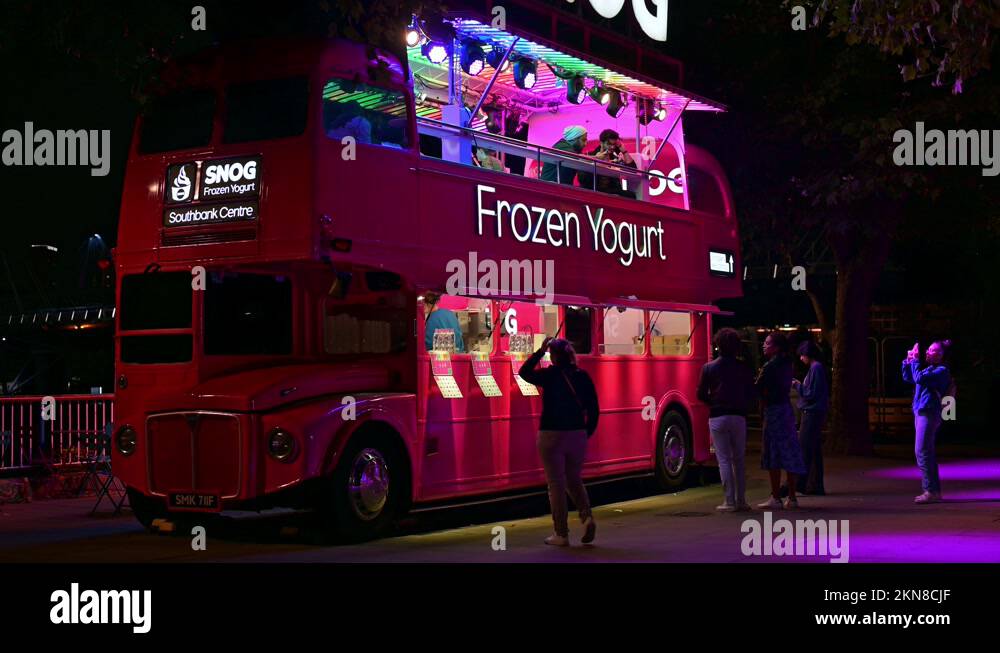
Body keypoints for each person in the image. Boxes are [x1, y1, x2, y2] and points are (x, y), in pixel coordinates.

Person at [519, 337, 599, 546]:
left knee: (556, 484)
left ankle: (561, 533)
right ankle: (587, 517)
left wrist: (539, 352)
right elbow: (594, 409)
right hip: (577, 434)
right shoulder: (583, 376)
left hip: (551, 434)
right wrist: (585, 432)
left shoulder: (550, 375)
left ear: (553, 356)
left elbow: (524, 373)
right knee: (574, 479)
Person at [696, 328, 756, 512]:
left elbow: (700, 393)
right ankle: (742, 500)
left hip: (718, 416)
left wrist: (713, 403)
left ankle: (728, 501)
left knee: (723, 459)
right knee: (739, 459)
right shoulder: (743, 367)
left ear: (718, 344)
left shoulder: (709, 367)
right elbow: (751, 392)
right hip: (738, 416)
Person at [755, 332, 807, 510]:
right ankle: (792, 497)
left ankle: (775, 496)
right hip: (786, 410)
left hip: (773, 411)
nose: (764, 345)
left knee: (773, 453)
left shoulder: (770, 367)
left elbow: (758, 388)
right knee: (789, 450)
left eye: (767, 343)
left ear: (776, 347)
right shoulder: (787, 364)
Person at [902, 339, 953, 504]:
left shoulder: (942, 371)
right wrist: (909, 360)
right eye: (928, 349)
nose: (927, 352)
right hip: (921, 412)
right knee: (926, 452)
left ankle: (930, 490)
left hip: (929, 412)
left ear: (940, 355)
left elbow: (919, 379)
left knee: (922, 451)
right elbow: (909, 377)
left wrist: (916, 361)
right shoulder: (930, 369)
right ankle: (934, 491)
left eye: (932, 350)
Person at [791, 340, 829, 496]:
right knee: (813, 450)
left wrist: (797, 386)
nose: (801, 359)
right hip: (816, 412)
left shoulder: (815, 368)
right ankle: (815, 484)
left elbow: (810, 393)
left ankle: (801, 483)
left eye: (802, 355)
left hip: (811, 413)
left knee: (805, 448)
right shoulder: (817, 368)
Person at [577, 129, 637, 197]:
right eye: (609, 144)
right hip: (594, 190)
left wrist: (623, 150)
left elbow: (633, 170)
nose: (612, 147)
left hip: (612, 190)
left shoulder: (615, 157)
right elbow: (582, 179)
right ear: (601, 143)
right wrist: (598, 160)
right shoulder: (591, 156)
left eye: (614, 144)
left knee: (631, 195)